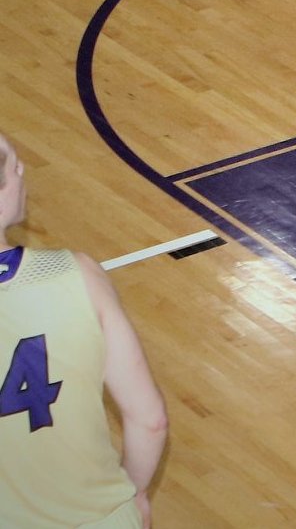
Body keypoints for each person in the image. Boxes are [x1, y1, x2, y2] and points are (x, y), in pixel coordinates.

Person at [0, 133, 169, 528]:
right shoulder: (77, 274)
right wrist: (135, 496)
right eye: (11, 166)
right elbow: (150, 419)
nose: (23, 171)